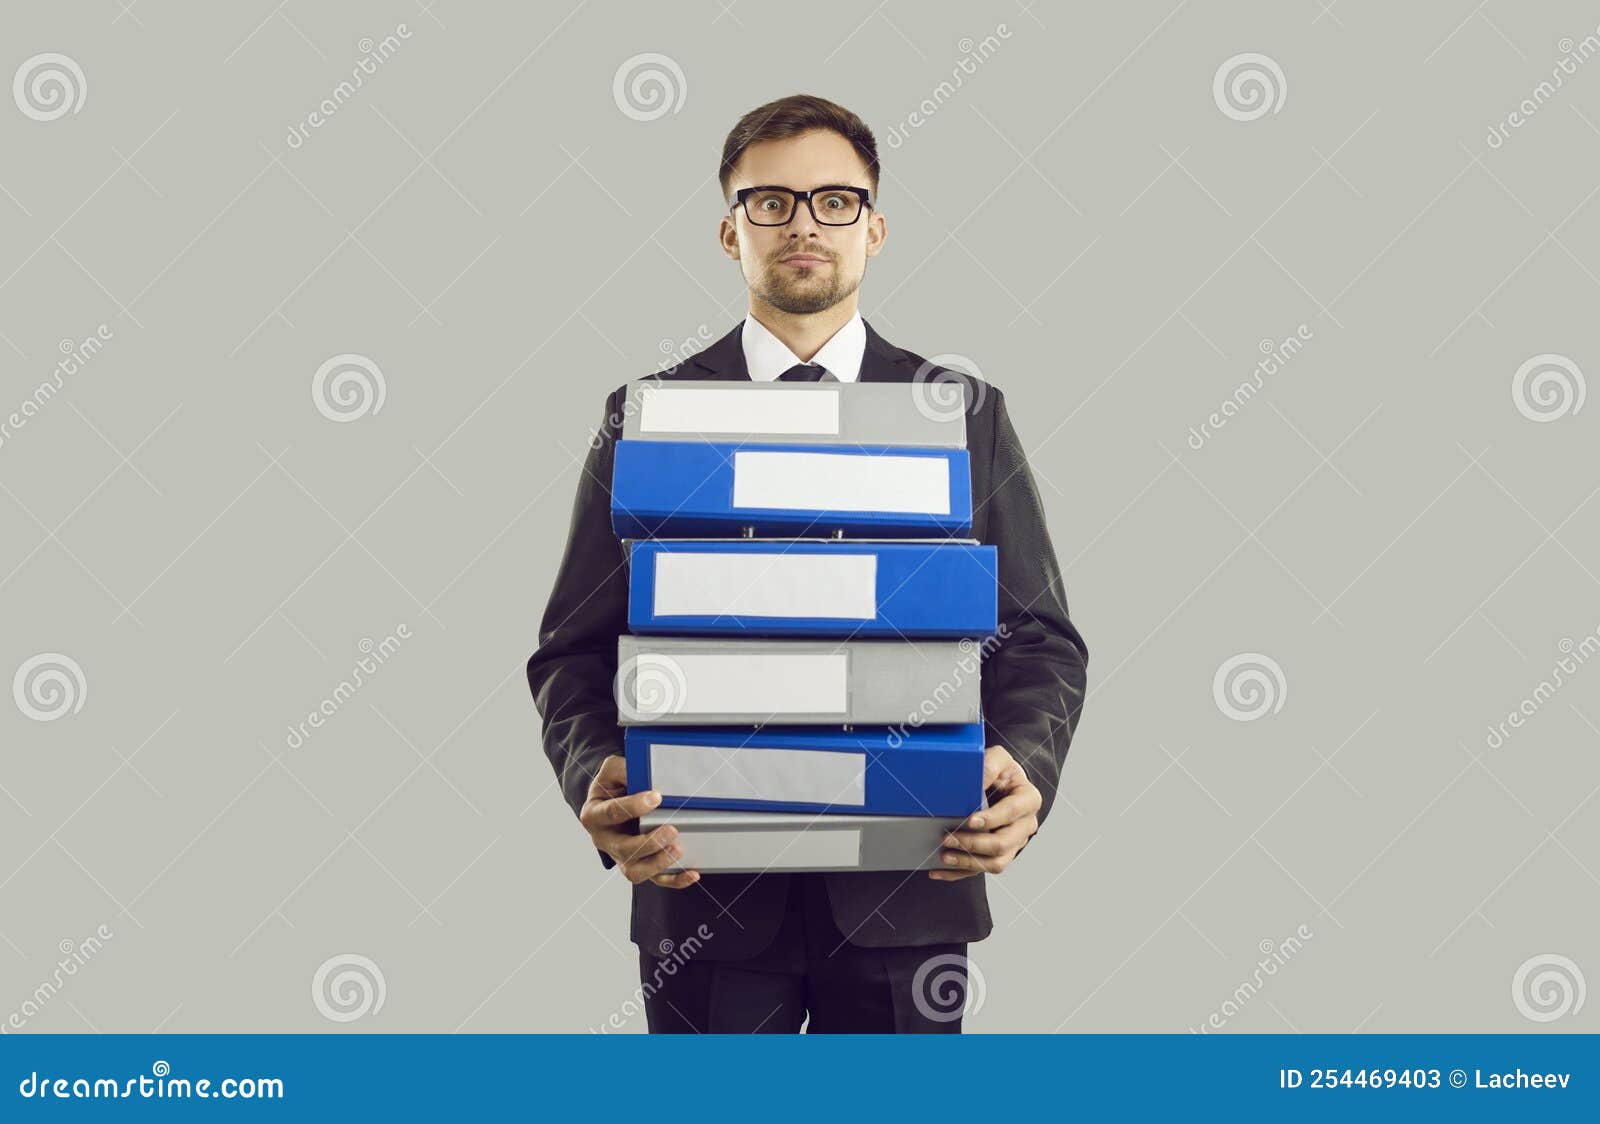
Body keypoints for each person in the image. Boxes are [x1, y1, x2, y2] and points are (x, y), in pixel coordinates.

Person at [527, 94, 1088, 1033]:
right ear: (728, 231)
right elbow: (573, 650)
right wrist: (595, 775)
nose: (802, 224)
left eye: (835, 200)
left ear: (875, 228)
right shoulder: (649, 415)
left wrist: (1024, 767)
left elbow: (1038, 638)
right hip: (703, 895)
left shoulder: (960, 413)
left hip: (913, 888)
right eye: (770, 202)